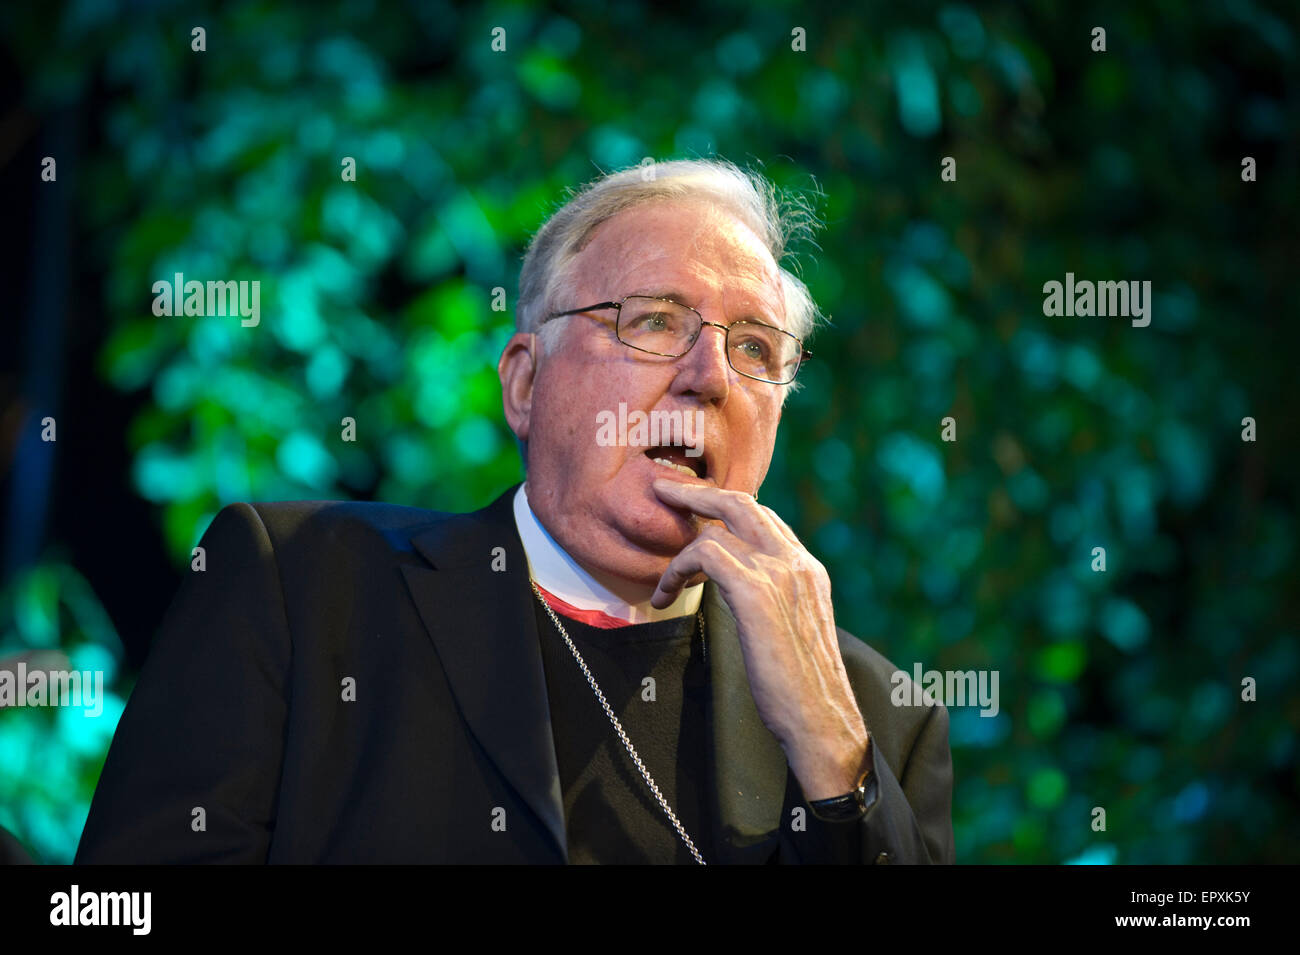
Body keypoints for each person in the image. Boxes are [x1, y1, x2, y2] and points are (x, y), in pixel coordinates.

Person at [76, 158, 953, 864]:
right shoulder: (301, 587)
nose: (710, 375)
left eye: (756, 347)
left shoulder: (876, 716)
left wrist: (838, 762)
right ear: (527, 382)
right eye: (654, 321)